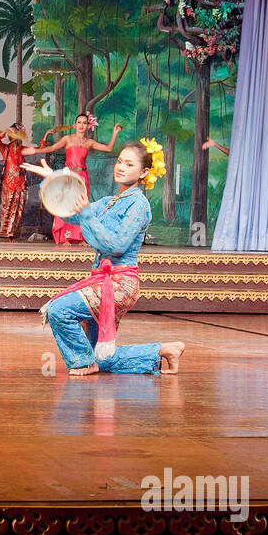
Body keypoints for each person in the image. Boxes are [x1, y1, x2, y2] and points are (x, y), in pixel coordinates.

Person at [40, 139, 185, 376]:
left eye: (129, 164)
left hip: (119, 285)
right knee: (103, 357)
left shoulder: (139, 205)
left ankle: (83, 363)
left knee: (58, 310)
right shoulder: (109, 202)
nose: (120, 167)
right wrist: (54, 181)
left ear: (144, 172)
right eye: (119, 161)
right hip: (103, 282)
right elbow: (74, 215)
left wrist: (87, 213)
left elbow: (116, 246)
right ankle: (164, 350)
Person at [23, 112, 121, 244]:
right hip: (68, 175)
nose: (81, 125)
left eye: (84, 123)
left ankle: (82, 238)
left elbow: (109, 148)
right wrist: (35, 151)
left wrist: (114, 133)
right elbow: (52, 148)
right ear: (75, 125)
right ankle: (64, 237)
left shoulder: (89, 142)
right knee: (64, 203)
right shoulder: (68, 139)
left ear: (88, 126)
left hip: (82, 177)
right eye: (79, 122)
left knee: (81, 206)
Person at [0, 122, 31, 240]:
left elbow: (38, 149)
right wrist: (4, 132)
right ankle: (6, 233)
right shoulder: (5, 149)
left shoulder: (23, 149)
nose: (12, 136)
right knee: (7, 207)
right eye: (11, 133)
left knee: (18, 209)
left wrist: (45, 137)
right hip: (8, 182)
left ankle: (13, 234)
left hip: (19, 182)